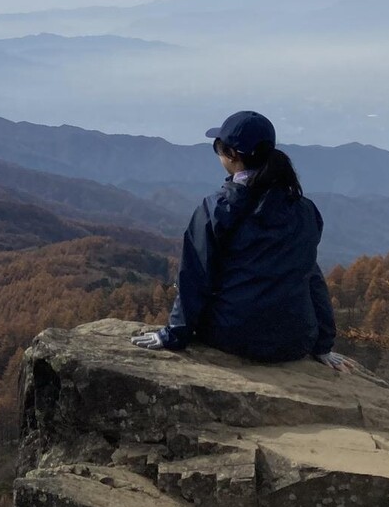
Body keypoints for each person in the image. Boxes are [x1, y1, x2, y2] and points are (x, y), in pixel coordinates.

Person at [130, 110, 354, 370]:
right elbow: (311, 276)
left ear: (232, 155)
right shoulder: (304, 209)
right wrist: (323, 344)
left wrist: (174, 335)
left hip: (232, 335)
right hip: (294, 341)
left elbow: (194, 276)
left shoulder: (218, 208)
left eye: (218, 147)